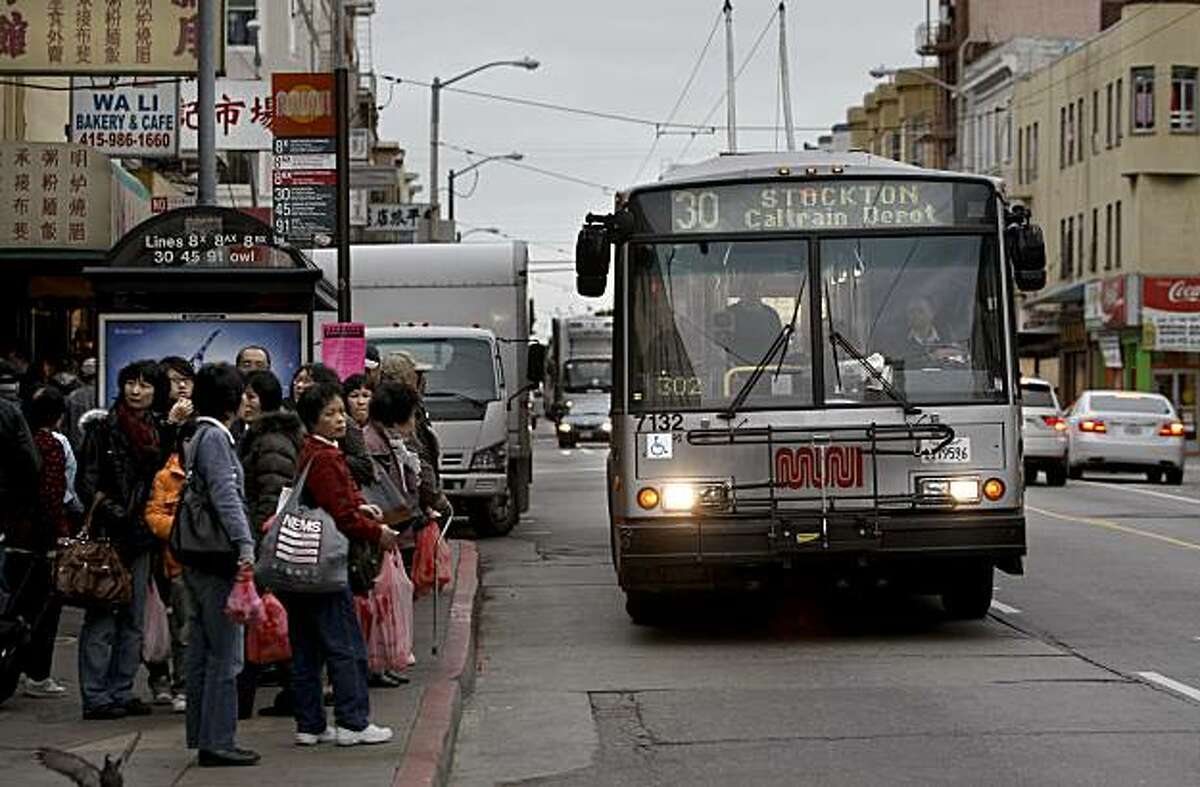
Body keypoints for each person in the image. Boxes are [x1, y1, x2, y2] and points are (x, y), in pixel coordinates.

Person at [287, 382, 399, 747]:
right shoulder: (327, 457)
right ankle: (353, 720)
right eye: (330, 414)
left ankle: (310, 724)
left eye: (340, 412)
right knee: (345, 643)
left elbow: (332, 504)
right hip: (327, 565)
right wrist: (376, 531)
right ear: (312, 420)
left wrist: (359, 509)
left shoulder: (308, 452)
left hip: (301, 563)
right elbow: (342, 516)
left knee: (306, 646)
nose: (339, 419)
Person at [76, 359, 166, 721]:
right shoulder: (103, 428)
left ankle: (121, 689)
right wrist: (117, 514)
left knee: (133, 618)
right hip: (109, 536)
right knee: (101, 616)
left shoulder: (159, 429)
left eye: (144, 385)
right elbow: (87, 482)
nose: (136, 391)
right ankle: (96, 696)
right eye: (130, 383)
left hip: (143, 537)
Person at [182, 363, 260, 767]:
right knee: (225, 653)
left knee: (201, 648)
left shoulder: (197, 434)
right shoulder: (215, 438)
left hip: (196, 556)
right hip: (216, 558)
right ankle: (218, 739)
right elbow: (226, 495)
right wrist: (245, 544)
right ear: (231, 400)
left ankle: (203, 734)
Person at [237, 369, 304, 718]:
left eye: (251, 396)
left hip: (266, 540)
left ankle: (265, 696)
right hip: (269, 539)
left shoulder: (271, 440)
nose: (245, 402)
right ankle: (289, 692)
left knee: (263, 617)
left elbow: (271, 495)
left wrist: (255, 542)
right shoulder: (258, 436)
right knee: (269, 617)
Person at [7, 387, 72, 699]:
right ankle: (37, 674)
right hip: (41, 541)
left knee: (15, 606)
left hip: (14, 536)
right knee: (44, 611)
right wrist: (56, 538)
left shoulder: (16, 439)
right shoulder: (52, 445)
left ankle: (13, 667)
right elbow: (54, 496)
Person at [714, 273, 783, 366]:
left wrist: (770, 367)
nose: (752, 293)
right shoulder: (727, 315)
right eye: (748, 288)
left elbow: (779, 347)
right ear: (740, 291)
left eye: (755, 288)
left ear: (761, 291)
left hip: (764, 371)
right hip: (733, 372)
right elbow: (719, 347)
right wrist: (730, 365)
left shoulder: (771, 316)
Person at [64, 357, 97, 452]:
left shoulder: (72, 396)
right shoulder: (104, 394)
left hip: (77, 448)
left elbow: (65, 427)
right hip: (99, 448)